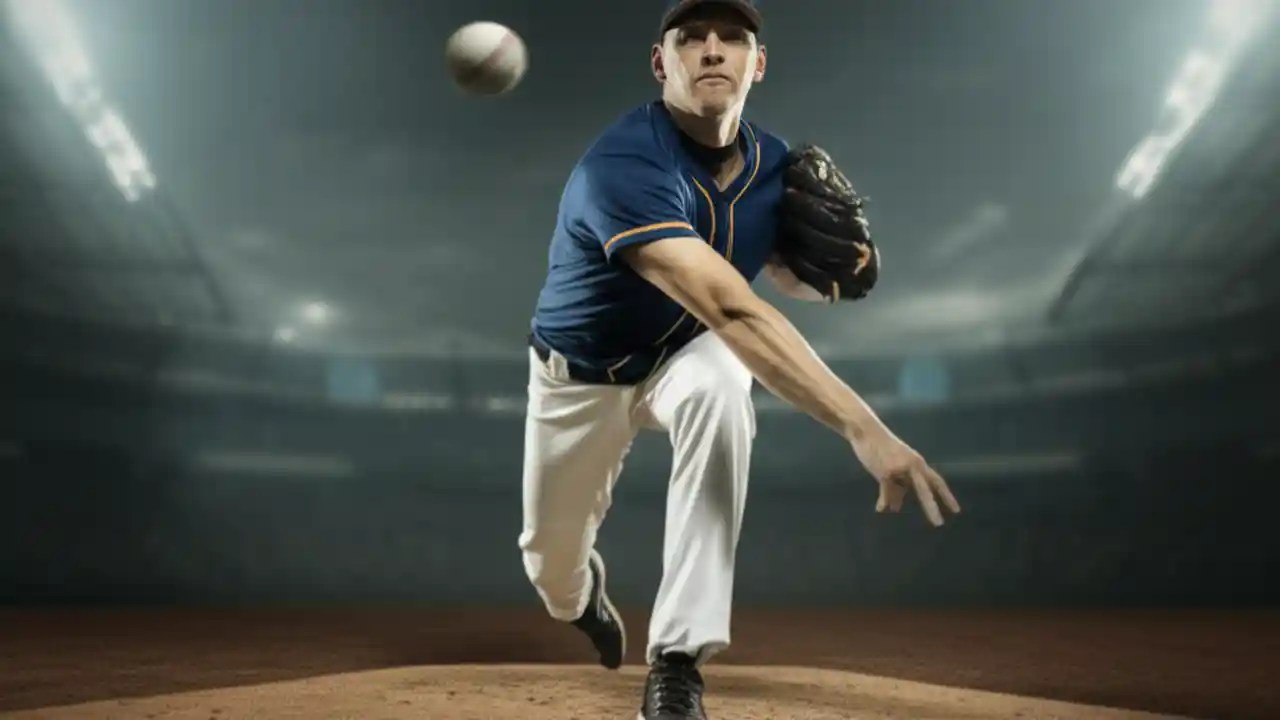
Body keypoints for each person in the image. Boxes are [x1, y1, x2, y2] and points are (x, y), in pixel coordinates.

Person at [518, 1, 961, 717]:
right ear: (661, 63)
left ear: (757, 64)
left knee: (724, 382)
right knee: (550, 564)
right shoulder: (621, 167)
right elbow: (733, 308)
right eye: (691, 38)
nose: (712, 50)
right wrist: (863, 426)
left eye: (732, 38)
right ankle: (580, 598)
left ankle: (677, 661)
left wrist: (838, 272)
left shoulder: (776, 168)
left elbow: (789, 280)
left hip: (685, 356)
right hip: (582, 378)